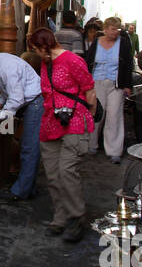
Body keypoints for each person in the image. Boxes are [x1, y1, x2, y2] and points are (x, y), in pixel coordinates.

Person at [30, 28, 95, 242]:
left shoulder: (73, 61)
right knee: (53, 174)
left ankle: (77, 217)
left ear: (44, 46)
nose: (36, 54)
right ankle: (61, 217)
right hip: (51, 122)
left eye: (36, 50)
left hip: (74, 121)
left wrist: (89, 117)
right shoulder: (46, 63)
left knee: (67, 171)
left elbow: (89, 90)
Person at [0, 43, 43, 202]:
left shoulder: (6, 67)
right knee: (24, 144)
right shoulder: (0, 65)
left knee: (29, 147)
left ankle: (20, 191)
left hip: (35, 103)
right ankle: (28, 187)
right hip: (28, 103)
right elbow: (7, 91)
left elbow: (16, 98)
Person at [82, 16, 134, 163]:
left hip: (116, 84)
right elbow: (88, 62)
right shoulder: (97, 43)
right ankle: (91, 144)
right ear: (105, 29)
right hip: (96, 83)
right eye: (112, 29)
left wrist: (127, 86)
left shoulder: (123, 43)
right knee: (96, 114)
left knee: (114, 116)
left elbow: (128, 65)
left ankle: (114, 151)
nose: (115, 32)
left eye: (117, 29)